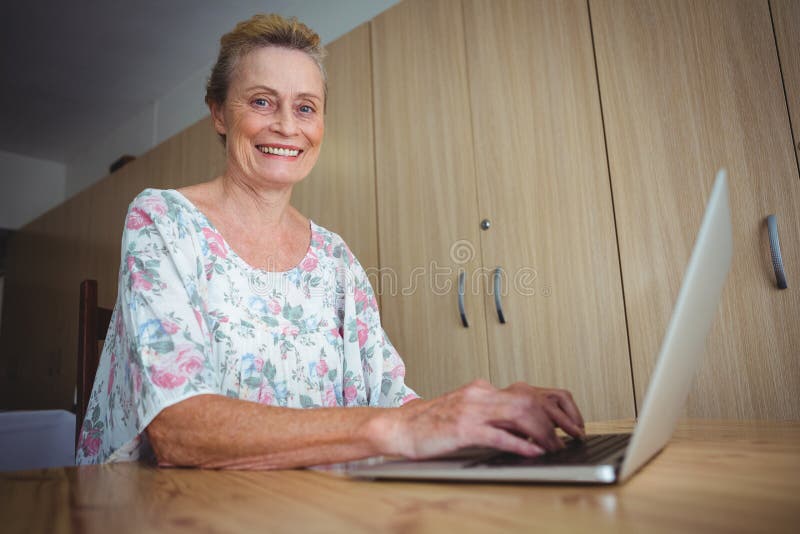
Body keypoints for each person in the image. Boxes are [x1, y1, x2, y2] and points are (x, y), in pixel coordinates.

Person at [76, 14, 585, 469]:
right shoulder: (163, 219)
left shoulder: (335, 258)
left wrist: (490, 414)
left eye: (306, 107)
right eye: (261, 101)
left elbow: (391, 401)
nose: (285, 125)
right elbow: (178, 431)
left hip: (306, 506)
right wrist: (394, 429)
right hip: (161, 510)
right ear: (218, 113)